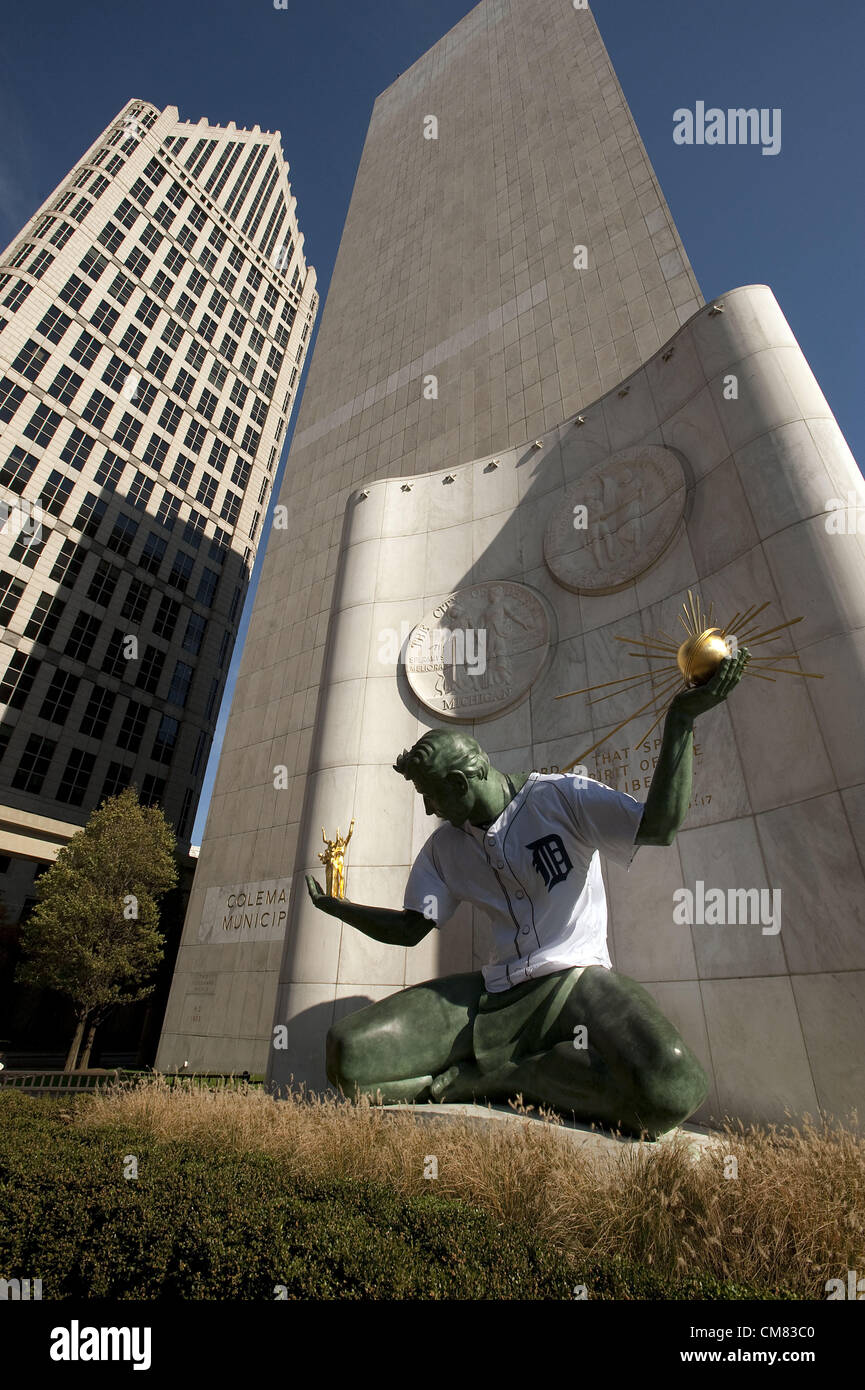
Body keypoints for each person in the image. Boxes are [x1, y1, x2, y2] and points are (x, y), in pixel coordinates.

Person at [306, 650, 749, 1137]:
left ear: (459, 782)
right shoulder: (444, 849)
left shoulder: (560, 797)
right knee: (347, 1057)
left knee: (674, 1086)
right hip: (495, 992)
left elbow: (658, 826)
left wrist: (681, 721)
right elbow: (412, 929)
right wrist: (338, 907)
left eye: (431, 795)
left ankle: (512, 1075)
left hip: (578, 984)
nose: (430, 807)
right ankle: (500, 1072)